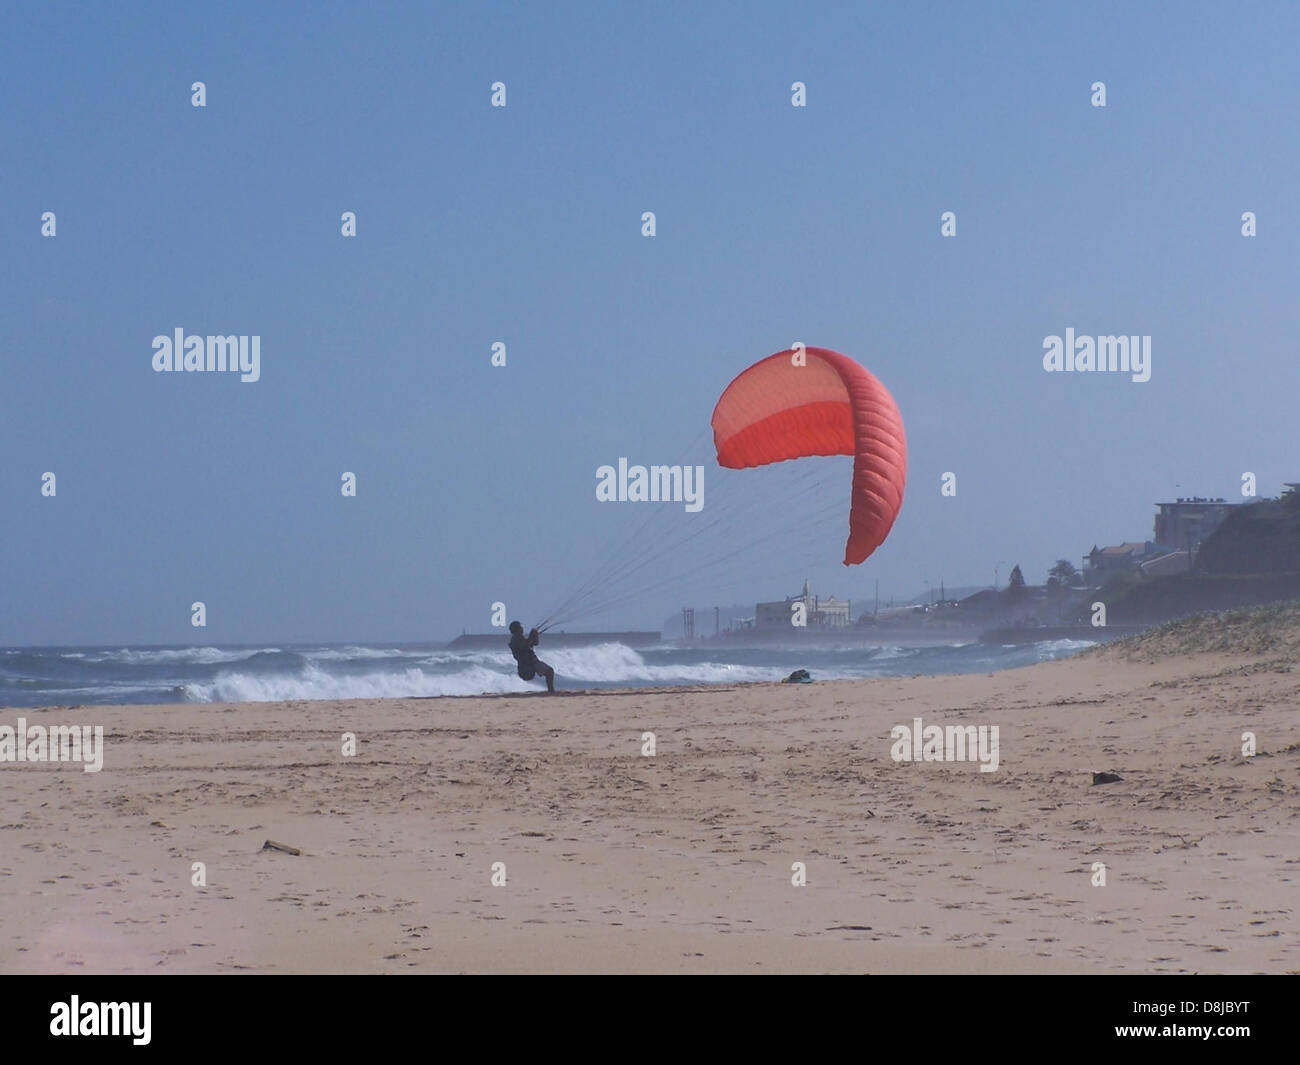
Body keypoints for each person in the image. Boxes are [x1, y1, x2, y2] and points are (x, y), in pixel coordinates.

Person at [508, 621, 555, 693]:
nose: (522, 628)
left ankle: (551, 690)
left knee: (549, 672)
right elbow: (524, 646)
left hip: (530, 662)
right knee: (549, 671)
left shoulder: (519, 638)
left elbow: (535, 643)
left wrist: (535, 635)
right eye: (520, 627)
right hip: (528, 664)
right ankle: (551, 691)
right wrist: (531, 635)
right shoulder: (515, 639)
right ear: (517, 629)